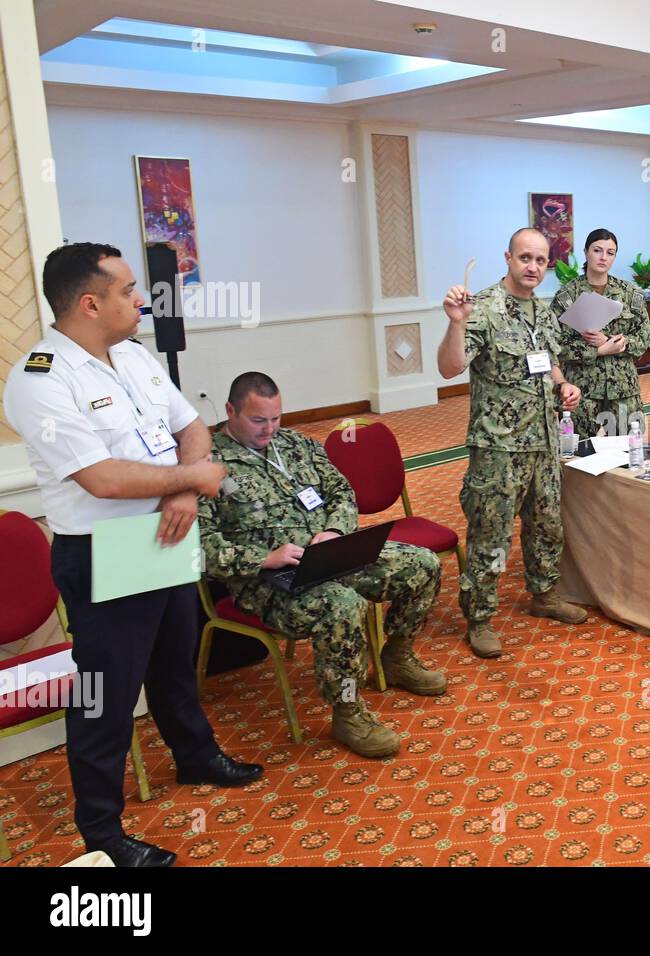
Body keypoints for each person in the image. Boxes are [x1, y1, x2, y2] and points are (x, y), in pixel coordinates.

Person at [3, 243, 262, 868]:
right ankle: (101, 829)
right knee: (105, 697)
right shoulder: (40, 379)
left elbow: (191, 427)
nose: (140, 300)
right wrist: (192, 481)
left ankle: (195, 755)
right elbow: (102, 479)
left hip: (165, 536)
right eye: (125, 290)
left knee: (175, 663)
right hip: (104, 553)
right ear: (90, 302)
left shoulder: (134, 355)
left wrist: (184, 485)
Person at [198, 373, 444, 759]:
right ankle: (347, 711)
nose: (270, 429)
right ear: (230, 411)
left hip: (328, 554)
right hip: (265, 580)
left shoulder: (294, 444)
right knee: (343, 607)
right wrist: (264, 558)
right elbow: (199, 547)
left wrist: (333, 529)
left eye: (276, 418)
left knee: (422, 564)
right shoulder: (207, 465)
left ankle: (397, 655)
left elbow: (340, 490)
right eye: (258, 420)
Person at [437, 227, 587, 660]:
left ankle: (544, 594)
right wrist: (455, 323)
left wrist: (564, 386)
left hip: (543, 442)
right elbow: (449, 368)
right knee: (492, 536)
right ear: (508, 258)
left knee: (546, 525)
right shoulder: (481, 309)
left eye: (541, 261)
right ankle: (479, 617)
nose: (533, 268)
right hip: (499, 448)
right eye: (525, 258)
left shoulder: (541, 311)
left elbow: (549, 363)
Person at [551, 228, 650, 439]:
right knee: (578, 454)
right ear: (586, 252)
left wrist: (616, 342)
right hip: (581, 391)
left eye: (610, 252)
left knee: (629, 452)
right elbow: (555, 345)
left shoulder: (629, 293)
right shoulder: (566, 296)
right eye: (597, 250)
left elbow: (644, 339)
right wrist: (597, 350)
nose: (603, 257)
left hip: (624, 389)